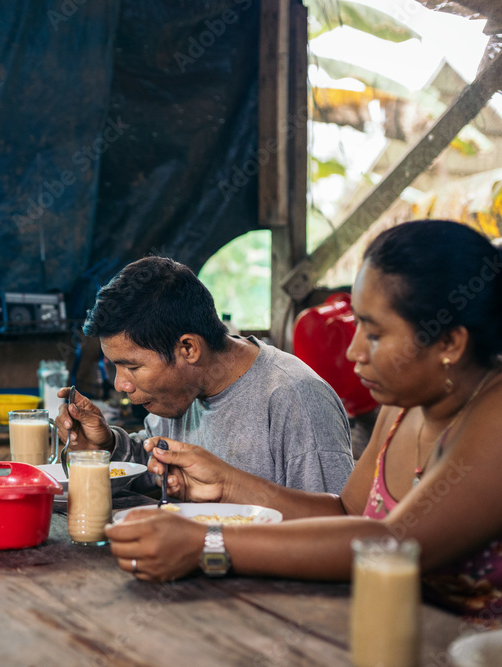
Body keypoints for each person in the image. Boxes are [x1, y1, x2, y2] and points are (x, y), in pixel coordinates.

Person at [106, 220, 502, 622]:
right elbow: (346, 516)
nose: (353, 351)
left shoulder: (496, 414)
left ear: (450, 342)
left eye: (376, 334)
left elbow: (393, 544)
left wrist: (207, 544)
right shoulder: (402, 408)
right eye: (358, 324)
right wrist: (226, 484)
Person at [58, 255, 354, 494]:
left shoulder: (295, 398)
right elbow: (156, 464)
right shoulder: (178, 393)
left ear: (188, 348)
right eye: (114, 366)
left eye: (132, 367)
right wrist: (107, 445)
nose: (120, 384)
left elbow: (334, 533)